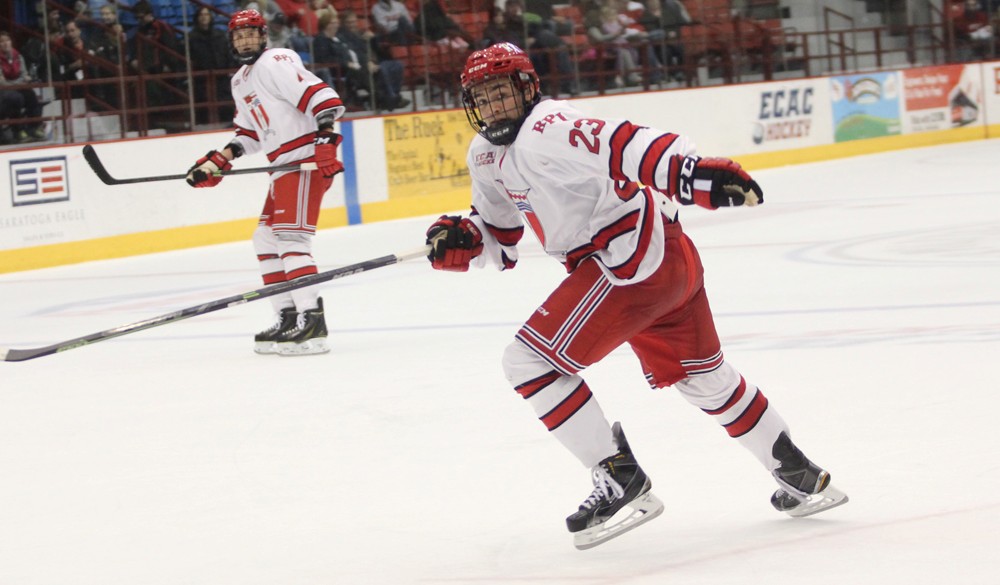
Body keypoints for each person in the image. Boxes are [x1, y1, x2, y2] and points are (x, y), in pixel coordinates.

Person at [423, 43, 849, 549]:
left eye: (501, 93)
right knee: (704, 379)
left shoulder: (549, 126)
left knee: (529, 364)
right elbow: (499, 232)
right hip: (664, 260)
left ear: (527, 88)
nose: (493, 107)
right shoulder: (486, 154)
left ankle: (619, 480)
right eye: (483, 98)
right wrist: (464, 237)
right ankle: (798, 474)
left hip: (628, 263)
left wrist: (691, 174)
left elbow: (625, 144)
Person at [184, 9, 346, 356]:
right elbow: (250, 134)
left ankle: (312, 320)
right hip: (282, 167)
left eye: (250, 34)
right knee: (265, 237)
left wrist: (326, 140)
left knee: (290, 238)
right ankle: (287, 315)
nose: (244, 40)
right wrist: (220, 159)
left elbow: (321, 96)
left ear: (262, 36)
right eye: (238, 35)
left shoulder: (275, 61)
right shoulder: (240, 80)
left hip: (303, 162)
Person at [337, 10, 408, 111]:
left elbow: (377, 49)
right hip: (359, 66)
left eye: (353, 22)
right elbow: (353, 53)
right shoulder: (342, 36)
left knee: (398, 65)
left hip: (374, 62)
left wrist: (373, 39)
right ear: (343, 23)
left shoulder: (361, 33)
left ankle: (396, 94)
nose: (352, 25)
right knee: (383, 69)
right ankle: (391, 98)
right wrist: (368, 62)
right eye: (349, 22)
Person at [188, 5, 236, 123]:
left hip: (221, 77)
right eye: (201, 15)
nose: (204, 18)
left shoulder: (219, 35)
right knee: (204, 106)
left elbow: (227, 52)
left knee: (224, 105)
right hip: (201, 78)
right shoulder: (191, 37)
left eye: (206, 15)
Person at [0, 30, 46, 144]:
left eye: (7, 40)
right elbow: (2, 83)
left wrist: (17, 82)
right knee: (16, 98)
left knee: (30, 94)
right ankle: (18, 130)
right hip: (3, 92)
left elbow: (25, 75)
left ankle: (34, 127)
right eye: (2, 41)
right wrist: (19, 82)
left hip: (17, 88)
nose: (6, 43)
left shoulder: (18, 56)